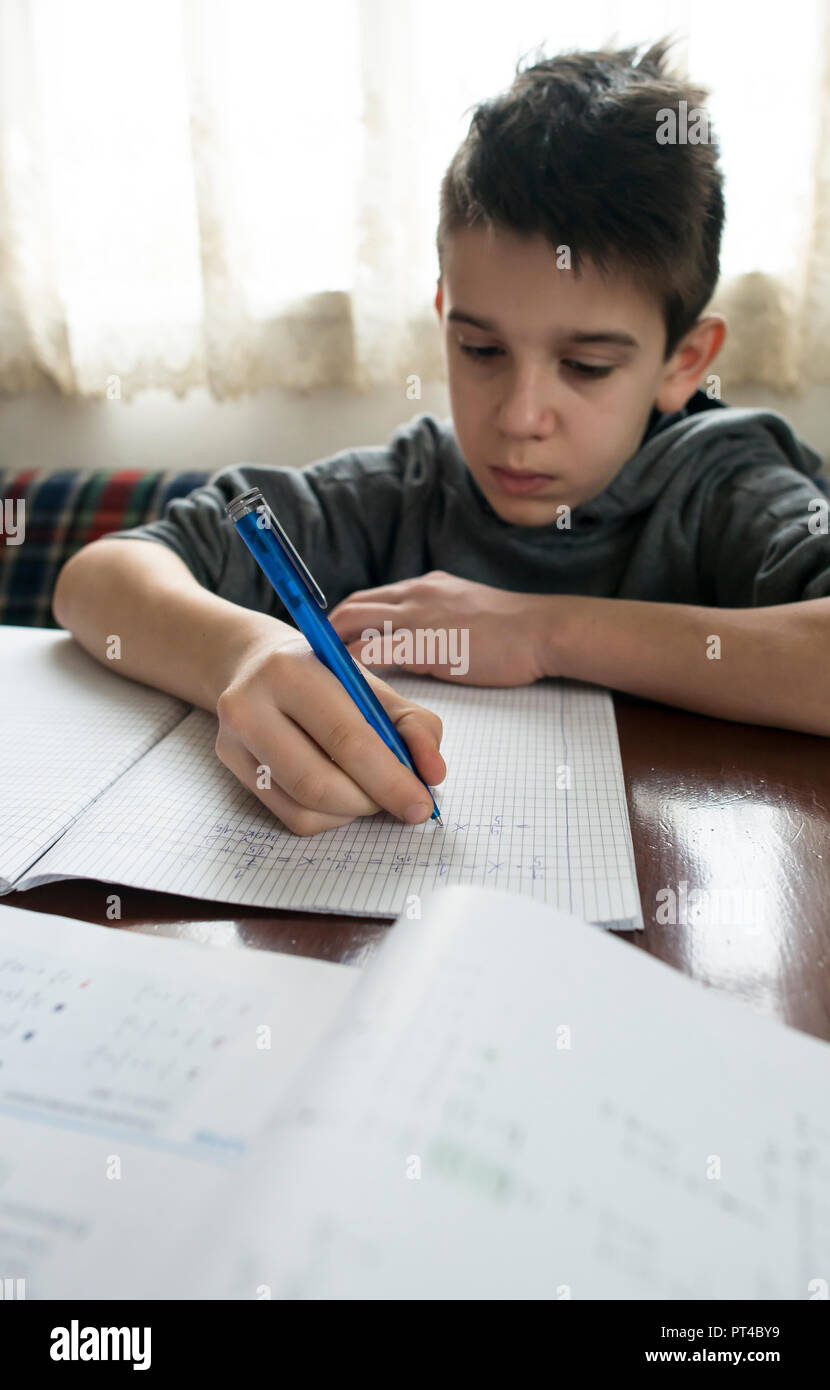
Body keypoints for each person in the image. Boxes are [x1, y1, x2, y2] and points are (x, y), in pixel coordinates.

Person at [53, 40, 830, 837]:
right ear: (442, 317)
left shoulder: (729, 482)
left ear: (683, 362)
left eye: (587, 365)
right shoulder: (405, 488)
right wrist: (244, 654)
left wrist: (538, 631)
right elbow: (98, 578)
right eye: (482, 351)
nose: (521, 416)